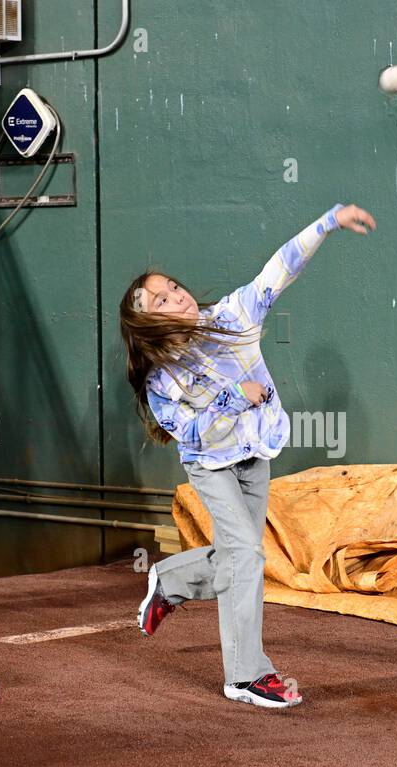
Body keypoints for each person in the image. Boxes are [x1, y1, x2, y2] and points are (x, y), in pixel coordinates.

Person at [120, 202, 377, 708]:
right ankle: (245, 675)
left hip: (255, 451)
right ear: (148, 324)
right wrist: (236, 397)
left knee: (237, 558)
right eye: (162, 301)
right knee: (247, 556)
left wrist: (327, 221)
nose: (177, 296)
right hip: (210, 465)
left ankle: (169, 579)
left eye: (173, 287)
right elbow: (190, 428)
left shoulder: (233, 318)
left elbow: (279, 269)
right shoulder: (160, 380)